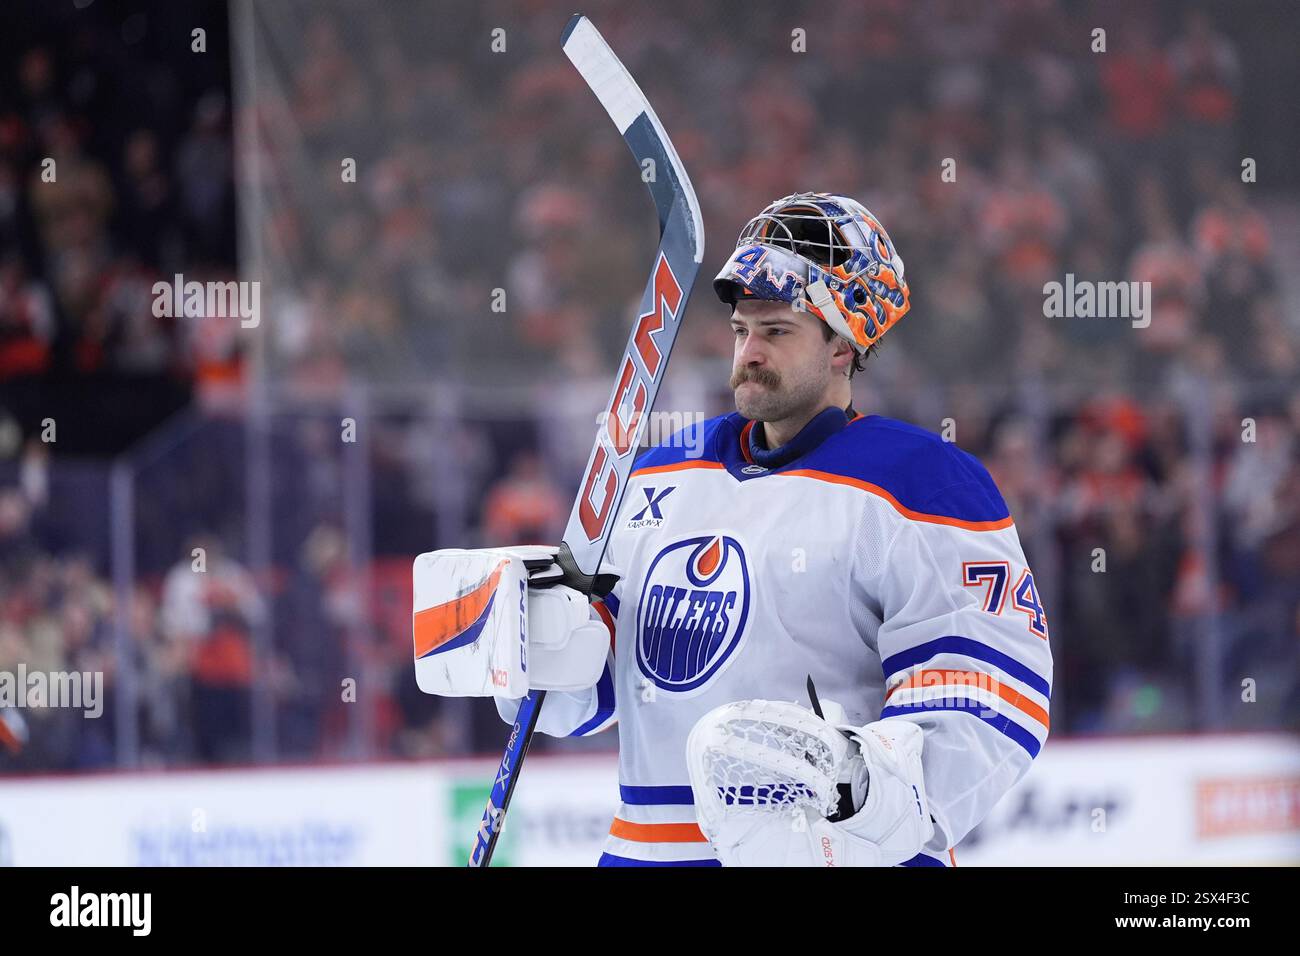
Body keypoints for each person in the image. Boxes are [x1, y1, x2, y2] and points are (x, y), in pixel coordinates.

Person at [435, 192, 1053, 866]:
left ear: (842, 344)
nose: (749, 352)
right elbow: (601, 695)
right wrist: (542, 643)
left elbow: (987, 695)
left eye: (777, 332)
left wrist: (864, 793)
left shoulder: (922, 482)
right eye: (740, 330)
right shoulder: (662, 472)